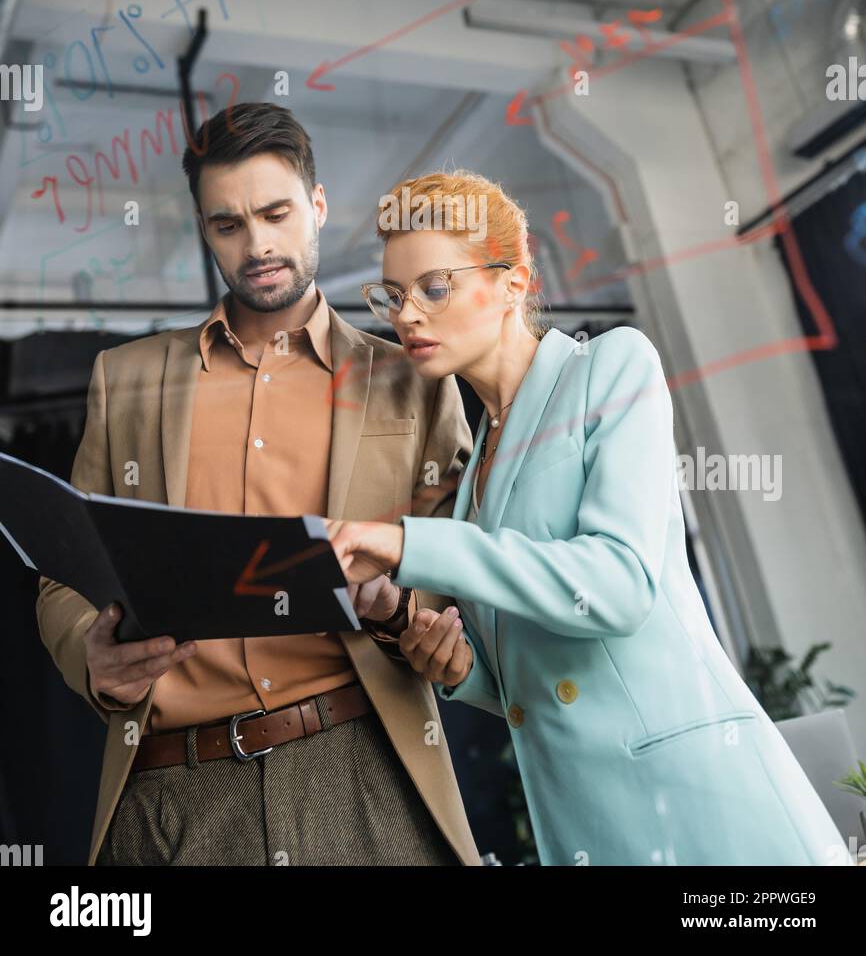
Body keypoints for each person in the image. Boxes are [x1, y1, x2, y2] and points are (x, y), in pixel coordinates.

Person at [328, 169, 855, 867]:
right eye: (392, 296)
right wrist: (453, 663)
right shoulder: (476, 466)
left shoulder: (610, 366)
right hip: (586, 825)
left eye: (434, 286)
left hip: (703, 812)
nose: (407, 315)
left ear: (513, 283)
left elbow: (618, 583)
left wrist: (407, 543)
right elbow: (532, 683)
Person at [36, 104, 482, 867]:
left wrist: (405, 610)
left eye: (276, 213)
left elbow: (459, 568)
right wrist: (91, 656)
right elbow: (63, 575)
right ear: (206, 231)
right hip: (171, 792)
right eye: (228, 225)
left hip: (359, 767)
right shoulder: (127, 380)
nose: (258, 244)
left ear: (316, 206)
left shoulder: (412, 381)